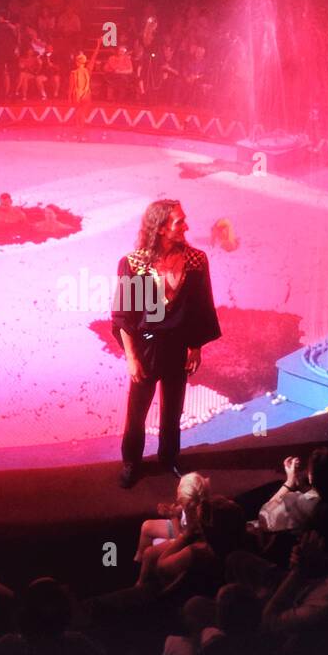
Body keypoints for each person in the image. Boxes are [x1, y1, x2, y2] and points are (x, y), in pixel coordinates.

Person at [111, 200, 222, 488]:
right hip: (147, 347)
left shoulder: (197, 260)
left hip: (178, 347)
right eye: (179, 222)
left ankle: (169, 458)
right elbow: (125, 316)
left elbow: (201, 307)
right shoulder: (134, 263)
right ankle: (132, 461)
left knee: (173, 410)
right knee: (137, 412)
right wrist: (132, 358)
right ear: (160, 228)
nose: (186, 226)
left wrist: (196, 347)